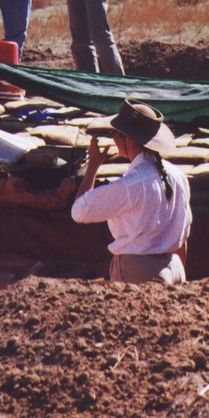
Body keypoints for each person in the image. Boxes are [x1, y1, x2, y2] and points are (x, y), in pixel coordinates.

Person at [71, 99, 192, 284]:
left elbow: (79, 211)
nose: (113, 139)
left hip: (141, 270)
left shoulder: (129, 185)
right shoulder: (178, 176)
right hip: (174, 266)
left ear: (128, 138)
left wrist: (92, 167)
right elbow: (183, 234)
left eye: (114, 134)